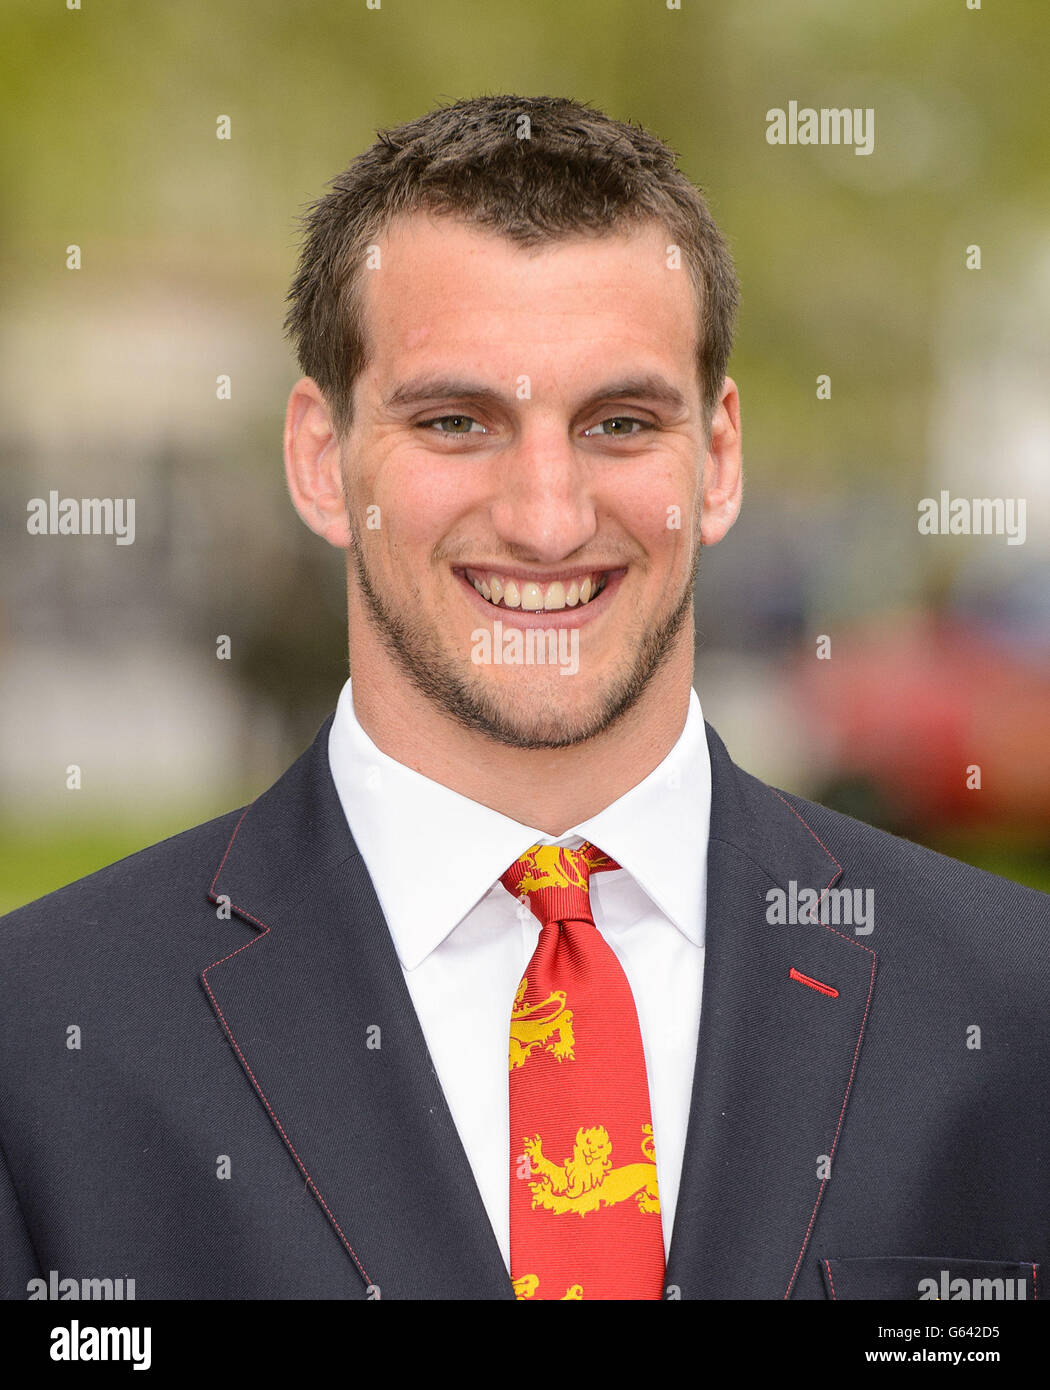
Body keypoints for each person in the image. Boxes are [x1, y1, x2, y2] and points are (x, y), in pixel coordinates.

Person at [1, 94, 1046, 1303]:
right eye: (456, 421)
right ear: (318, 459)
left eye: (619, 422)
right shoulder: (43, 1040)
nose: (547, 518)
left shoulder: (1013, 1012)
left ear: (719, 459)